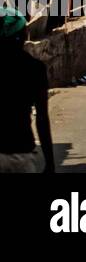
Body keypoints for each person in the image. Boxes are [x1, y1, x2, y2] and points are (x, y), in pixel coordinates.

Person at [0, 11, 54, 173]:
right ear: (22, 36)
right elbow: (42, 118)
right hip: (21, 150)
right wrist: (50, 163)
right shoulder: (34, 68)